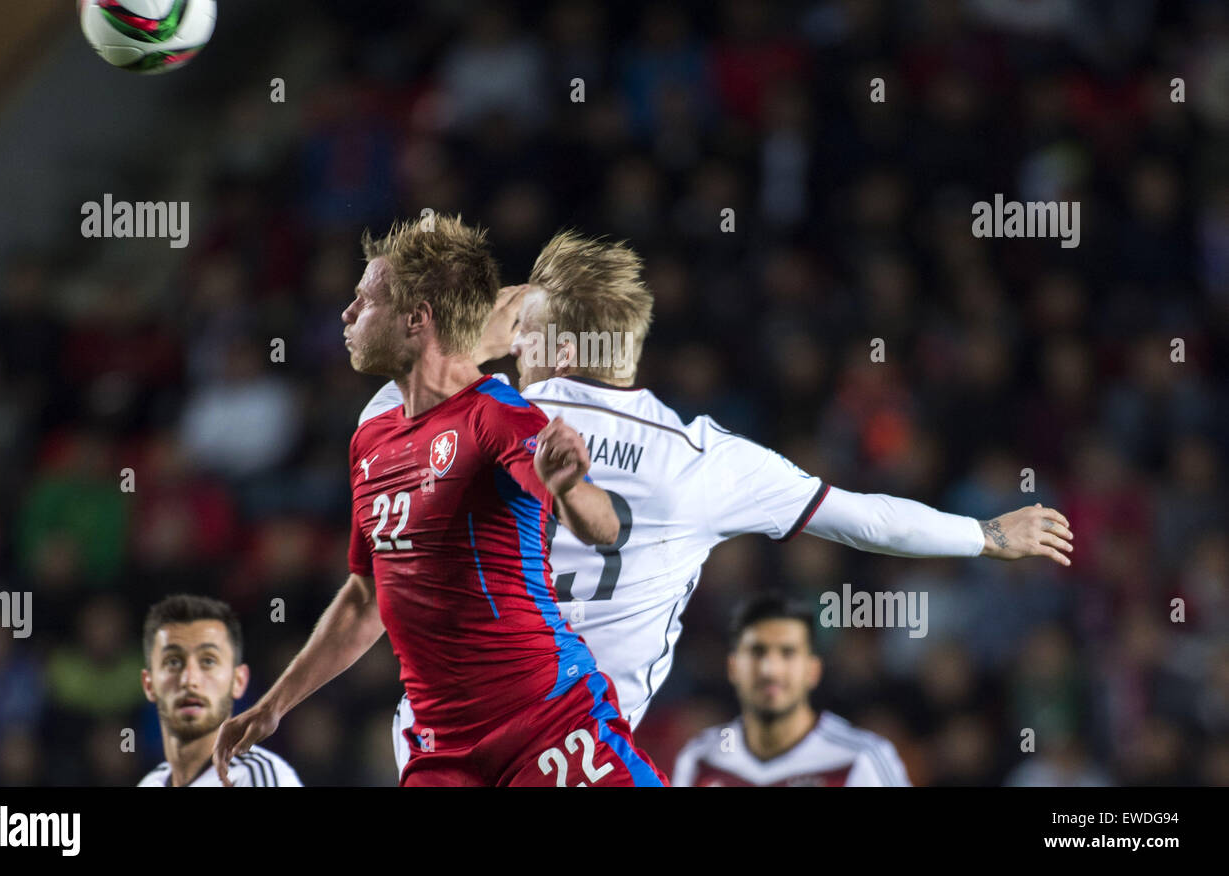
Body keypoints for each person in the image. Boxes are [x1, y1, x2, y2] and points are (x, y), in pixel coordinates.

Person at [366, 231, 1072, 776]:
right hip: (571, 751)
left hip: (442, 735)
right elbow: (865, 518)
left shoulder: (465, 417)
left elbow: (396, 388)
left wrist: (474, 339)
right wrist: (985, 534)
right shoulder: (702, 459)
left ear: (544, 340)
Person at [214, 214, 665, 787]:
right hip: (442, 754)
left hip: (546, 722)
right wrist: (274, 705)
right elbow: (365, 596)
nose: (347, 314)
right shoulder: (370, 439)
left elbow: (603, 528)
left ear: (417, 318)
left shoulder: (497, 416)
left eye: (363, 300)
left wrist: (567, 484)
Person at [672, 594, 908, 786]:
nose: (770, 670)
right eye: (757, 652)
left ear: (813, 670)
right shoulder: (701, 758)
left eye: (788, 653)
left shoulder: (860, 758)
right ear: (733, 668)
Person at [138, 594, 301, 787]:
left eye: (208, 661)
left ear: (238, 681)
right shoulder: (149, 783)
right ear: (148, 684)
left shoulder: (260, 778)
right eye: (173, 662)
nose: (189, 679)